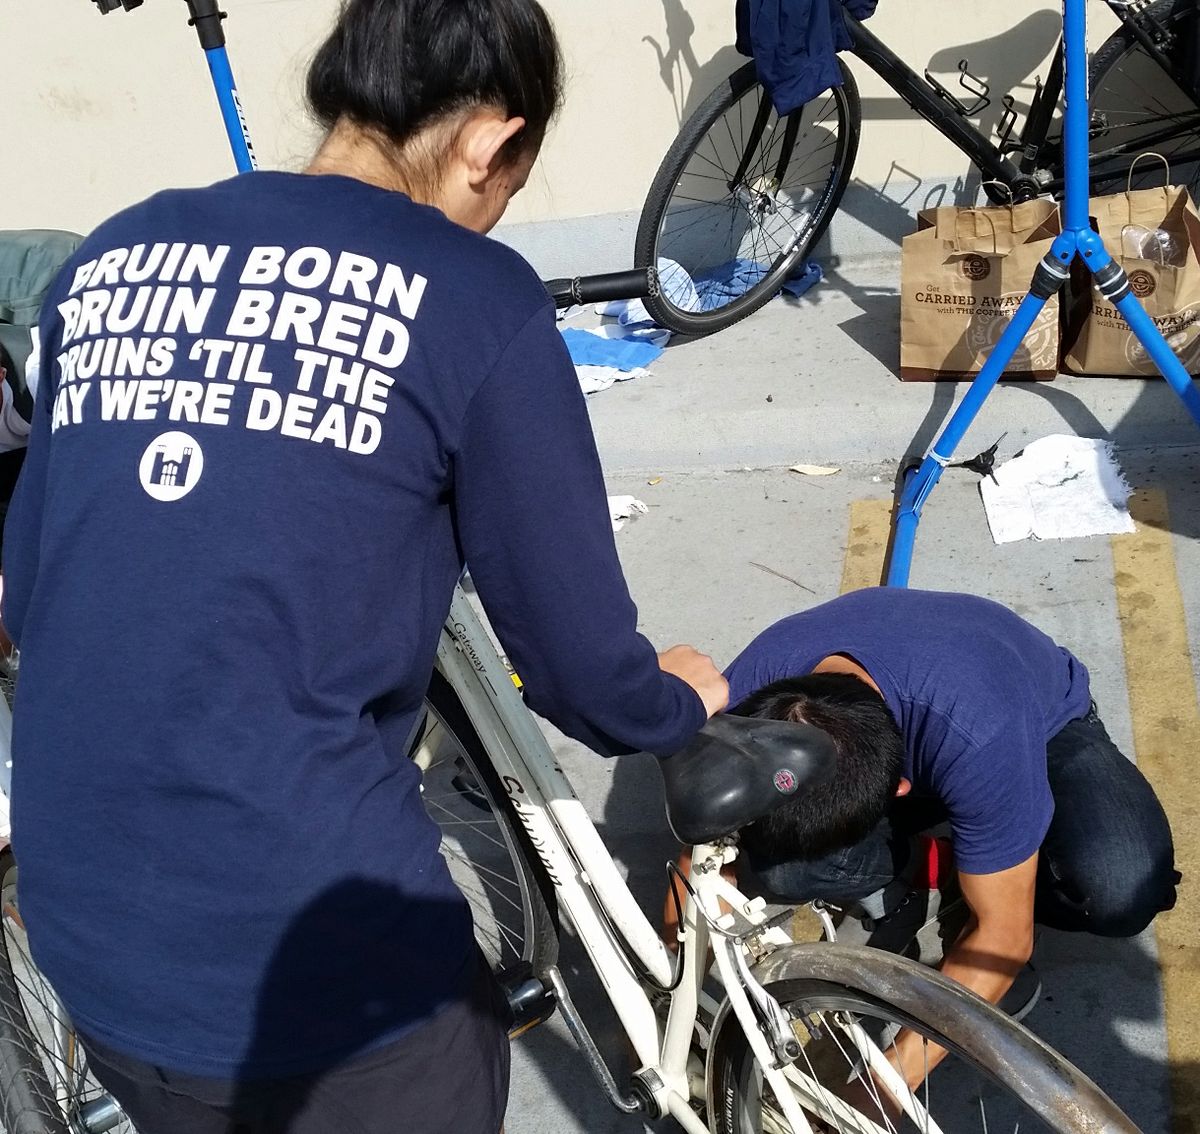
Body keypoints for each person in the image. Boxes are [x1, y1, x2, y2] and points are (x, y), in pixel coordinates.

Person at [0, 3, 728, 1132]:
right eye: (509, 184)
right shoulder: (478, 297)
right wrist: (678, 702)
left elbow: (33, 581)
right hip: (318, 992)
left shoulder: (114, 252)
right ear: (490, 142)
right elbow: (584, 672)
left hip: (82, 940)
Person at [724, 586, 1177, 1089]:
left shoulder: (984, 735)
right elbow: (699, 858)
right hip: (927, 718)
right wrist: (678, 999)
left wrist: (880, 1092)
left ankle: (998, 857)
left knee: (1121, 889)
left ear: (899, 790)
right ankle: (947, 862)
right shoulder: (742, 706)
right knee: (782, 865)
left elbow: (1005, 940)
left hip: (1038, 721)